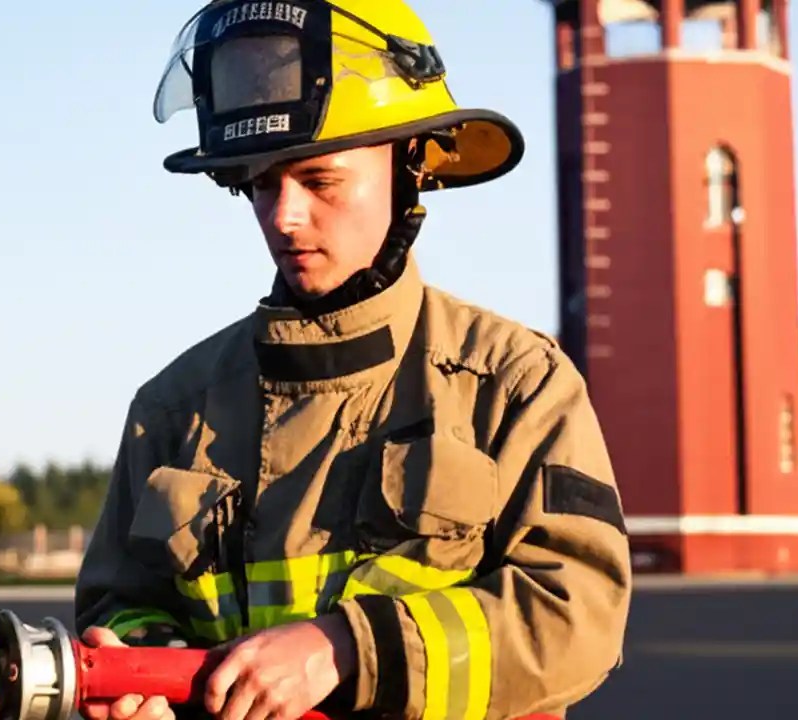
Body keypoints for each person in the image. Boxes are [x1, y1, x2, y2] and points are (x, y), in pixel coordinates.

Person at [73, 1, 633, 719]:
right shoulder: (173, 407)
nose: (284, 217)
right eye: (261, 183)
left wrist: (344, 648)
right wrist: (146, 672)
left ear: (410, 167)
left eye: (320, 181)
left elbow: (576, 617)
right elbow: (120, 603)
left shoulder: (515, 384)